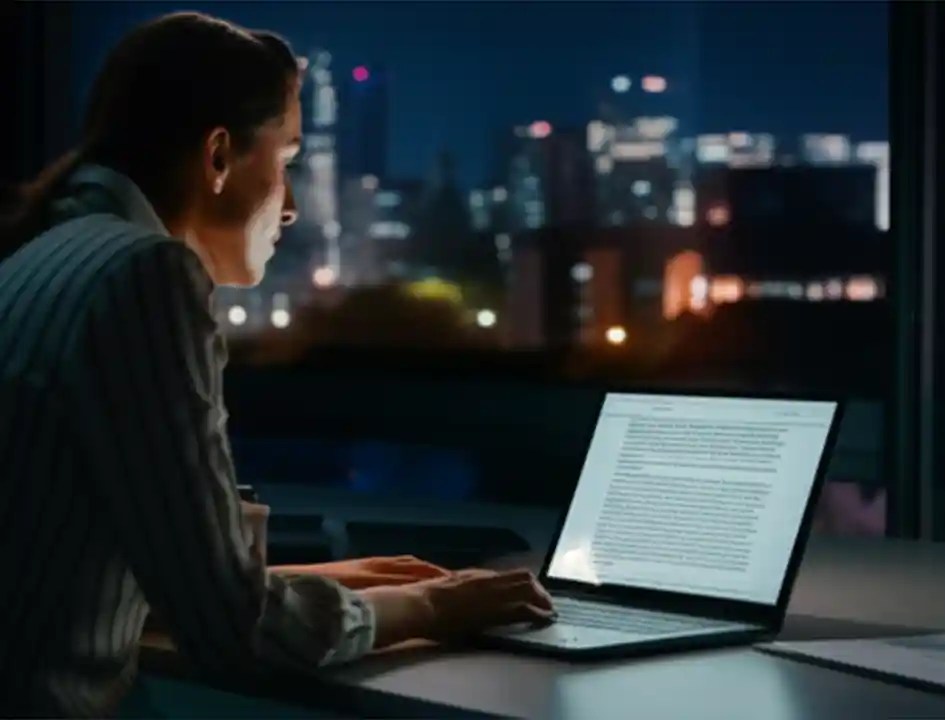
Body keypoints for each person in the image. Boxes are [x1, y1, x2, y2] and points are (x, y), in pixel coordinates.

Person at [0, 12, 553, 717]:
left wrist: (329, 582)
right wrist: (431, 605)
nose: (290, 206)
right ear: (219, 156)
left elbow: (110, 574)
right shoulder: (147, 276)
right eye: (286, 160)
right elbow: (233, 628)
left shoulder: (44, 257)